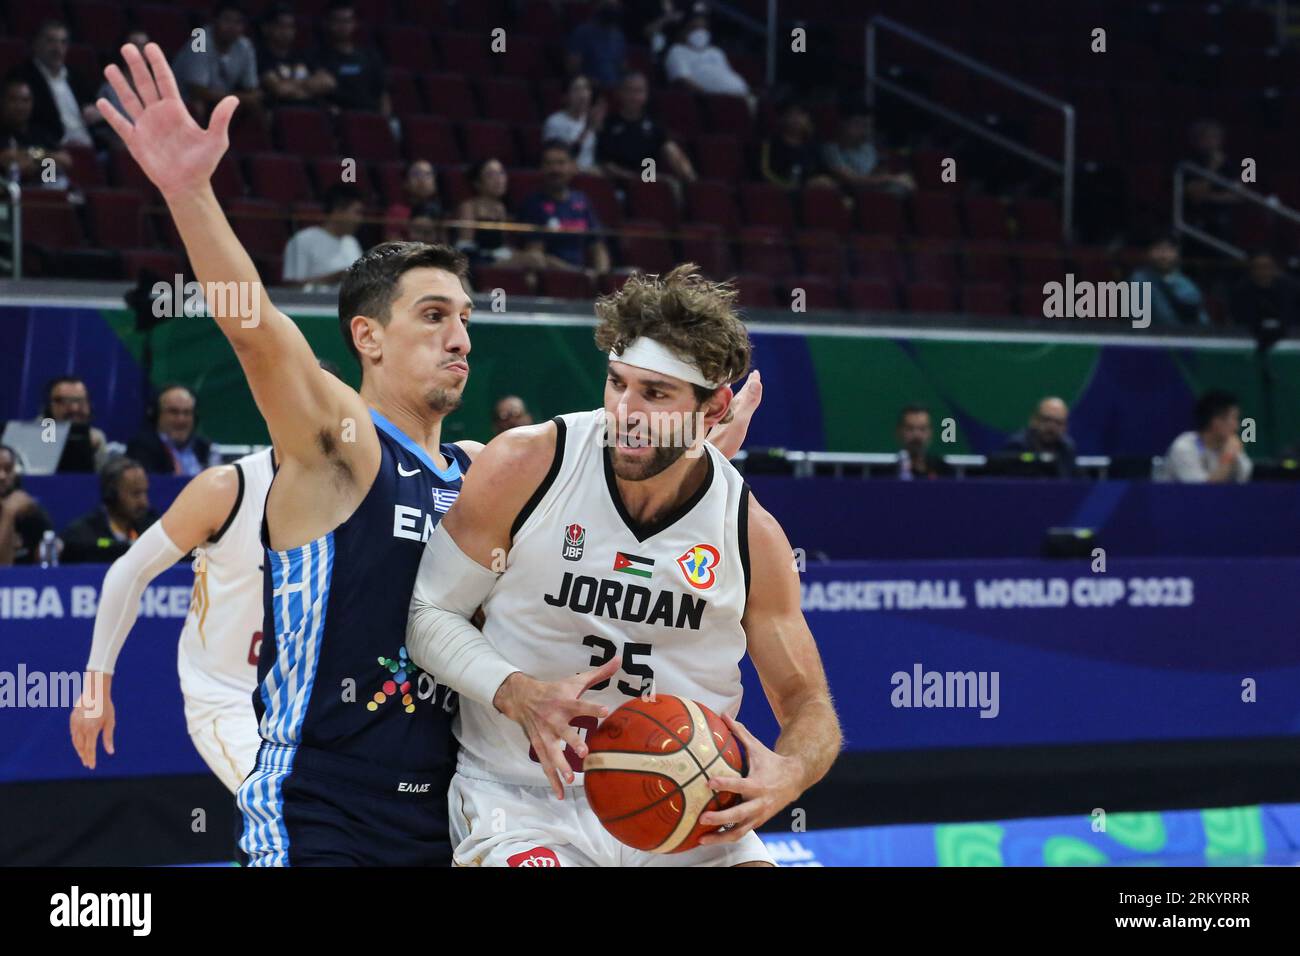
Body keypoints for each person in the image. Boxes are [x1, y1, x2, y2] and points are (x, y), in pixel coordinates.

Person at [95, 44, 759, 866]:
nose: (462, 337)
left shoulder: (488, 472)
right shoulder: (342, 450)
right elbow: (255, 333)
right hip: (323, 809)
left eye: (468, 317)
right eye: (435, 316)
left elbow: (613, 464)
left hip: (452, 812)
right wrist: (190, 195)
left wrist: (688, 446)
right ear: (367, 337)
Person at [406, 266, 834, 868]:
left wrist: (790, 772)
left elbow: (806, 701)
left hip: (689, 806)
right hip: (525, 797)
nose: (624, 411)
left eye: (655, 394)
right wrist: (516, 692)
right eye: (616, 383)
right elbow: (428, 613)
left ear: (714, 406)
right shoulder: (528, 465)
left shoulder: (748, 532)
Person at [69, 447, 271, 791]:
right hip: (229, 694)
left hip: (307, 697)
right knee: (288, 810)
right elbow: (129, 572)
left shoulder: (344, 484)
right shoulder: (228, 488)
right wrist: (95, 688)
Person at [519, 140, 612, 277]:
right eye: (549, 164)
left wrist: (601, 277)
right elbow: (536, 256)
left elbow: (598, 246)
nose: (555, 169)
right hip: (554, 279)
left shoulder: (582, 200)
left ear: (572, 167)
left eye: (561, 163)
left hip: (583, 278)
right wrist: (577, 274)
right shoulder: (533, 204)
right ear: (542, 168)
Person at [6, 19, 99, 148]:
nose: (58, 48)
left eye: (63, 42)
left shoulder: (76, 76)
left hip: (89, 148)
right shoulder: (23, 76)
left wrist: (95, 111)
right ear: (36, 44)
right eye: (51, 41)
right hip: (51, 149)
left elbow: (95, 107)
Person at [598, 71, 696, 188]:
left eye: (639, 91)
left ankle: (695, 188)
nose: (634, 96)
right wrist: (638, 179)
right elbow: (607, 166)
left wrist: (687, 175)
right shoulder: (609, 124)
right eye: (629, 90)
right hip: (618, 185)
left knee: (671, 149)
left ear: (646, 95)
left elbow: (670, 152)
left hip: (650, 184)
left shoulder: (654, 125)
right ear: (620, 92)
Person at [171, 2, 262, 124]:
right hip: (184, 100)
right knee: (198, 105)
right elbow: (197, 90)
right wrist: (242, 98)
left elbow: (252, 89)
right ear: (214, 20)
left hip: (220, 102)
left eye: (238, 22)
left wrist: (249, 98)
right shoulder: (200, 39)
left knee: (257, 109)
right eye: (227, 20)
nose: (232, 27)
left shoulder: (245, 45)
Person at [60, 457, 159, 564]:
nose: (144, 502)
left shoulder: (152, 526)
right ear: (111, 495)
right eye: (136, 494)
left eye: (145, 492)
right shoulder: (82, 535)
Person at [452, 157, 536, 270]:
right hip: (480, 262)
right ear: (477, 183)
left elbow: (502, 245)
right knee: (533, 260)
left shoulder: (501, 208)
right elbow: (465, 246)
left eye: (501, 173)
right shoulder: (469, 207)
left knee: (537, 258)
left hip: (499, 257)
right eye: (491, 175)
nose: (499, 179)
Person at [282, 184, 366, 290]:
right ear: (338, 211)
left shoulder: (352, 242)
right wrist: (336, 277)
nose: (360, 219)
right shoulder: (302, 241)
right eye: (356, 213)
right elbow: (292, 287)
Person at [125, 384, 219, 476]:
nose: (181, 419)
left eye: (187, 412)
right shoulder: (141, 448)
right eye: (173, 412)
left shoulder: (205, 448)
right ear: (157, 415)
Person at [314, 0, 389, 115]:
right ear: (327, 23)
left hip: (371, 117)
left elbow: (383, 95)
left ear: (354, 23)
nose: (343, 25)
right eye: (338, 21)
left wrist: (384, 121)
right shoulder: (317, 57)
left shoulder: (370, 57)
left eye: (347, 21)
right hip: (338, 120)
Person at [1162, 389, 1252, 483]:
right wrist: (1227, 458)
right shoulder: (1184, 448)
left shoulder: (1229, 445)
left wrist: (1233, 456)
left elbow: (1245, 478)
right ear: (1216, 421)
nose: (1237, 426)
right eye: (1234, 419)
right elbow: (1202, 492)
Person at [664, 7, 751, 102]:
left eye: (704, 28)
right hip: (713, 101)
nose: (700, 32)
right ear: (684, 30)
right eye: (695, 28)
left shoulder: (716, 51)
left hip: (741, 96)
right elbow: (682, 80)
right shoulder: (677, 51)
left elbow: (727, 73)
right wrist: (708, 97)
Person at [256, 2, 334, 107]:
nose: (286, 31)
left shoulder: (303, 56)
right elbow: (280, 89)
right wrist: (310, 87)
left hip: (310, 111)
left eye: (290, 26)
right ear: (266, 28)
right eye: (281, 26)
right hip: (281, 113)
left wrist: (294, 86)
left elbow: (328, 82)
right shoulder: (261, 57)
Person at [0, 77, 73, 186]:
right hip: (8, 193)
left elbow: (66, 160)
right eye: (13, 99)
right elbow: (11, 163)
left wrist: (33, 155)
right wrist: (44, 158)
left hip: (45, 189)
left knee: (58, 181)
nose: (20, 106)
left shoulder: (39, 133)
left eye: (25, 100)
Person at [822, 110, 915, 194]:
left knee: (902, 186)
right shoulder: (831, 149)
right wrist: (890, 179)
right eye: (858, 124)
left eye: (866, 126)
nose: (864, 130)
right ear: (844, 124)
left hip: (872, 189)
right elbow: (852, 181)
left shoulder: (868, 148)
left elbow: (878, 172)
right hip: (851, 193)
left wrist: (889, 176)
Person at [1128, 236, 1210, 327]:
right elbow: (1138, 320)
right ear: (1149, 252)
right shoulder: (1139, 279)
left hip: (1184, 337)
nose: (1163, 255)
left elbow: (1199, 317)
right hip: (1150, 337)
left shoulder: (1187, 284)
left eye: (1168, 249)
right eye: (1158, 249)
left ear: (1177, 253)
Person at [1229, 250, 1300, 348]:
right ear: (1251, 270)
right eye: (1258, 267)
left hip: (1292, 341)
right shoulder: (1241, 291)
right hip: (1249, 341)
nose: (1262, 271)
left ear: (1274, 268)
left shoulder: (1292, 288)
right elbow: (1239, 321)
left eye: (1266, 267)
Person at [760, 103, 837, 191]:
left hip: (813, 195)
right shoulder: (770, 144)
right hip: (782, 195)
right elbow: (766, 175)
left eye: (801, 115)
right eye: (792, 114)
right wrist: (802, 186)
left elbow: (823, 170)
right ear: (783, 118)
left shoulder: (813, 145)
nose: (796, 119)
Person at [40, 376, 110, 472]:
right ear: (49, 406)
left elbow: (103, 481)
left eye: (80, 401)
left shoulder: (96, 438)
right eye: (64, 401)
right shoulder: (32, 435)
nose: (74, 408)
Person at [0, 444, 54, 565]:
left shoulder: (28, 509)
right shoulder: (12, 509)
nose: (2, 476)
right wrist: (8, 515)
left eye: (8, 469)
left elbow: (46, 564)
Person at [1001, 396, 1078, 478]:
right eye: (1046, 419)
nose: (1051, 426)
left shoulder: (1067, 448)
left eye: (1058, 422)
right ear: (1034, 420)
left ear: (1065, 426)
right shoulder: (1017, 446)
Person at [542, 75, 605, 173]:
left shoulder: (592, 119)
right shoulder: (555, 122)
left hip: (591, 174)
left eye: (586, 88)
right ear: (566, 96)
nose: (582, 95)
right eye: (576, 89)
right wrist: (587, 129)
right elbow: (557, 159)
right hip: (567, 175)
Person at [566, 0, 628, 91]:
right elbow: (572, 69)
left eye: (615, 5)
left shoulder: (618, 36)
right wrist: (588, 82)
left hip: (615, 91)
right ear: (597, 5)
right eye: (608, 5)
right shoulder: (582, 33)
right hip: (590, 90)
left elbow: (622, 68)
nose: (612, 8)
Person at [384, 160, 444, 242]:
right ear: (406, 183)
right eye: (416, 174)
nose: (421, 180)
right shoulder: (396, 212)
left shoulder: (444, 211)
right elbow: (392, 245)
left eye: (427, 174)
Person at [893, 405, 950, 479]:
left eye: (922, 429)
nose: (917, 435)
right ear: (899, 432)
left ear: (930, 433)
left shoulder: (943, 470)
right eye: (910, 428)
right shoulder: (885, 471)